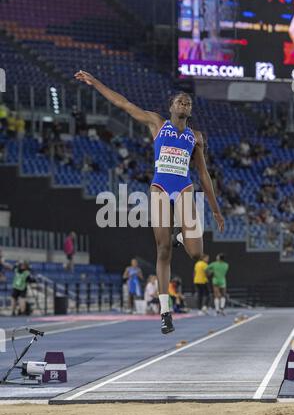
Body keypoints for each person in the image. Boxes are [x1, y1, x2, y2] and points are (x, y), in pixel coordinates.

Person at [75, 70, 224, 334]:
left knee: (196, 253)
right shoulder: (157, 123)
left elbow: (203, 175)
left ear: (190, 110)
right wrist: (95, 82)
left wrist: (215, 209)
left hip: (184, 188)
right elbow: (123, 104)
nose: (184, 104)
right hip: (160, 188)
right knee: (162, 248)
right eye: (179, 101)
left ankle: (181, 237)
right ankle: (165, 311)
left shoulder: (196, 137)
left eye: (188, 102)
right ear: (170, 107)